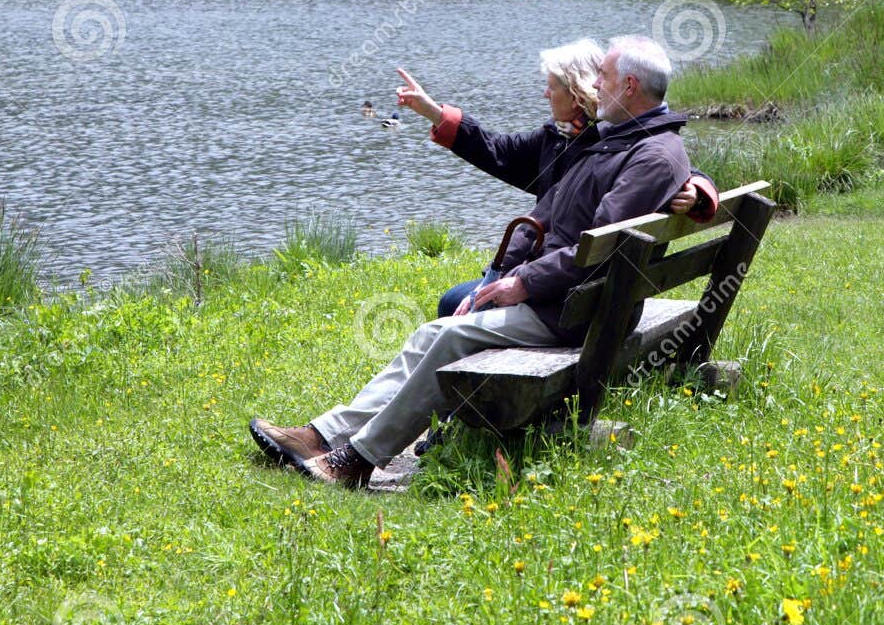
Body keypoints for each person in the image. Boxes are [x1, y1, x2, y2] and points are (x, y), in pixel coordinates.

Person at [250, 35, 696, 489]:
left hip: (576, 312)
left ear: (630, 86)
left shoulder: (649, 153)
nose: (596, 85)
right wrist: (510, 275)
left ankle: (357, 460)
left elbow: (596, 246)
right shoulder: (621, 140)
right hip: (571, 302)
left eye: (604, 78)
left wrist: (520, 283)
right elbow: (534, 185)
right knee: (433, 332)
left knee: (454, 335)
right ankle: (325, 434)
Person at [394, 40, 716, 316]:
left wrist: (697, 190)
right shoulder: (557, 138)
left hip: (567, 286)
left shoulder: (607, 138)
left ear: (575, 93)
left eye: (552, 86)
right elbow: (499, 152)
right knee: (455, 301)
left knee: (453, 303)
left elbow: (668, 163)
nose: (545, 94)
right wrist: (436, 113)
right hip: (555, 272)